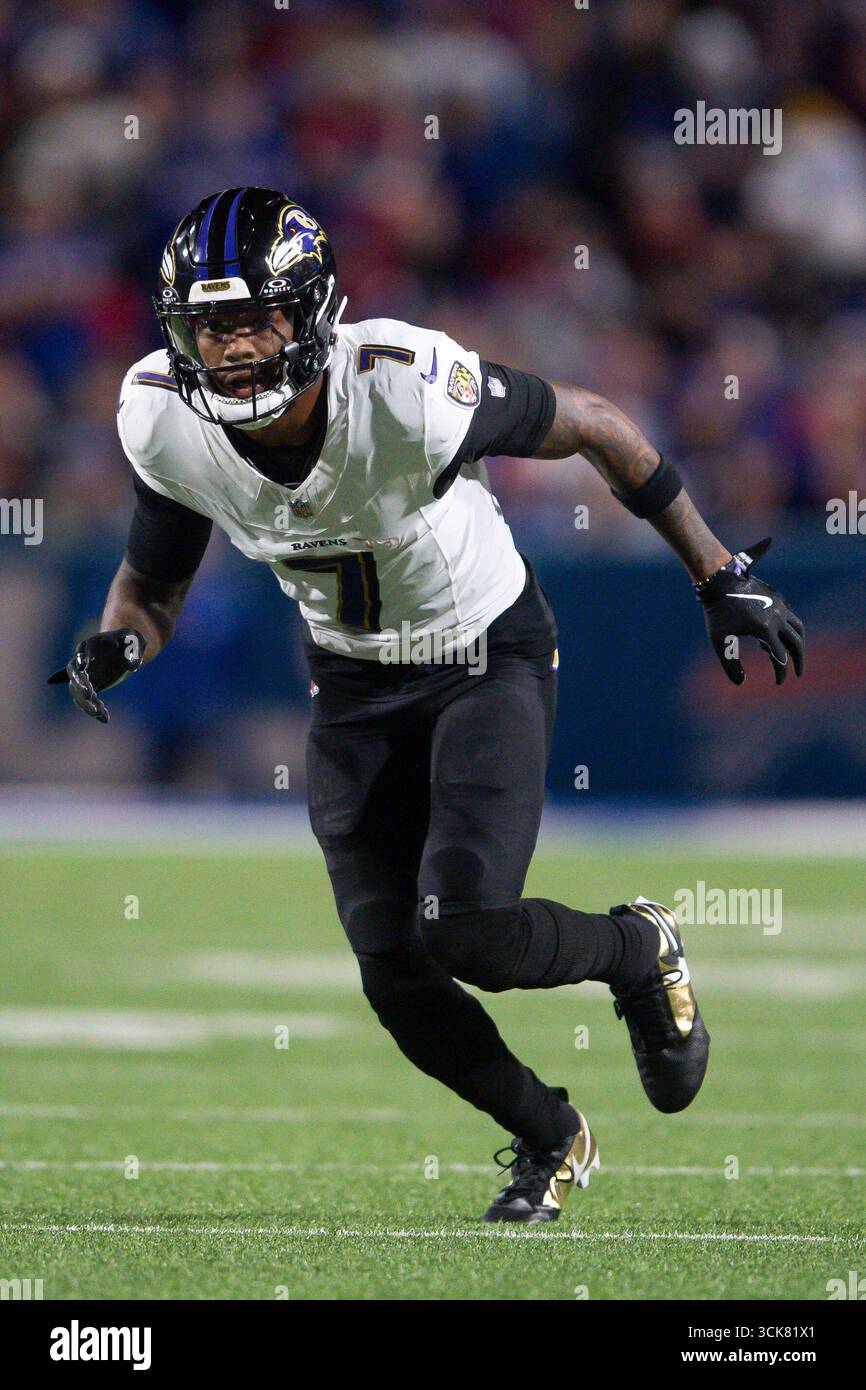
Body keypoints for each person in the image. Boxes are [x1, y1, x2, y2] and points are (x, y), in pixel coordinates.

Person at [50, 187, 805, 1223]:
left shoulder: (407, 387)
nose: (229, 351)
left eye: (254, 318)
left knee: (470, 929)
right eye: (209, 326)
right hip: (352, 682)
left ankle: (639, 949)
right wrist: (119, 640)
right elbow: (155, 583)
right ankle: (551, 1136)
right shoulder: (160, 418)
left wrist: (714, 571)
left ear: (311, 310)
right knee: (393, 974)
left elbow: (591, 420)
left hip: (480, 648)